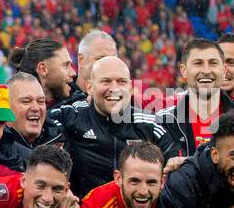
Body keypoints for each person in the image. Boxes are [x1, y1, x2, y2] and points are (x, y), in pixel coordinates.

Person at [52, 56, 161, 198]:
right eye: (106, 81)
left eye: (121, 82)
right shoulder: (70, 116)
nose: (114, 89)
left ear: (130, 87)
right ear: (90, 87)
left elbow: (174, 166)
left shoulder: (150, 125)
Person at [152, 38, 234, 158]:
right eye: (198, 63)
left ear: (223, 70)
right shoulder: (163, 121)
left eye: (213, 63)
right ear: (184, 71)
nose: (206, 70)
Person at [0, 73, 63, 170]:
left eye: (40, 101)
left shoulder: (60, 140)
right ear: (6, 107)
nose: (36, 108)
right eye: (26, 101)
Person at [9, 38, 76, 109]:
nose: (73, 73)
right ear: (43, 69)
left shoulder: (76, 105)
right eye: (65, 65)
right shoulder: (13, 113)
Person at [72, 30, 117, 99]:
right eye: (100, 59)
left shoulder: (121, 102)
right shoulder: (60, 98)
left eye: (112, 60)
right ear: (81, 61)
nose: (108, 66)